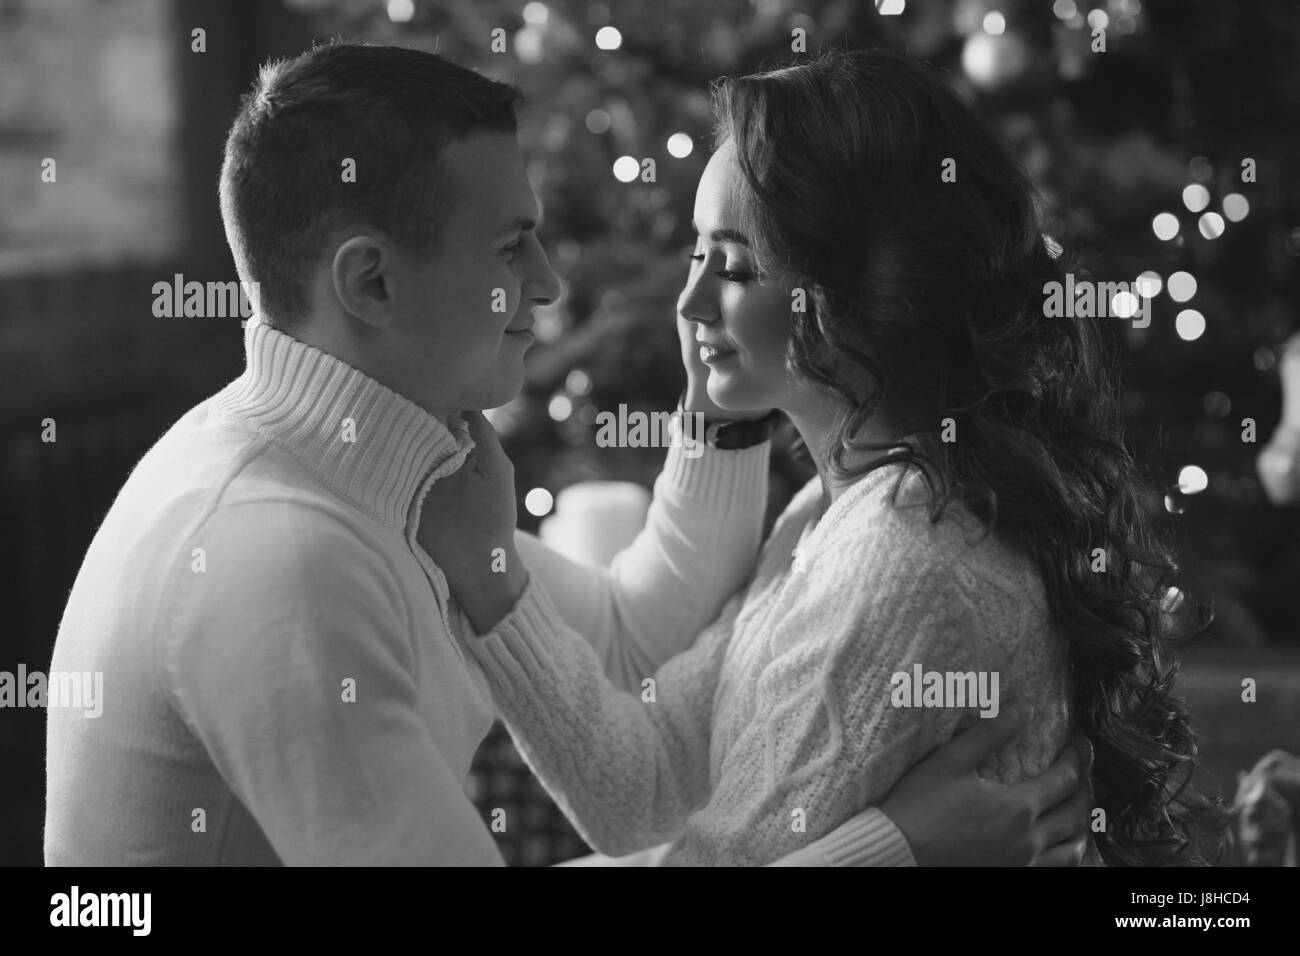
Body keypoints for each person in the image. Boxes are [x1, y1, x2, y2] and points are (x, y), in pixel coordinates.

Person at [45, 42, 1088, 866]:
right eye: (510, 248)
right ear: (369, 285)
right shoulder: (280, 553)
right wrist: (895, 850)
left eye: (725, 265)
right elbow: (651, 791)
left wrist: (718, 420)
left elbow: (629, 667)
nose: (549, 284)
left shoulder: (398, 483)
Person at [421, 48, 1224, 866]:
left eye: (732, 265)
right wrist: (489, 583)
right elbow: (647, 790)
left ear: (859, 292)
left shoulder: (904, 560)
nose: (689, 301)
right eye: (695, 254)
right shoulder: (834, 512)